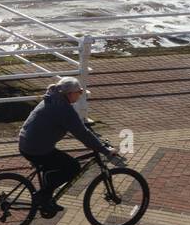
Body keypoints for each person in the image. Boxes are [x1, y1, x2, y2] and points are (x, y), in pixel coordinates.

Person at [18, 76, 118, 217]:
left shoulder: (51, 98)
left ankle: (47, 198)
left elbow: (78, 127)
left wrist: (88, 133)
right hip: (37, 147)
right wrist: (104, 149)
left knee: (54, 165)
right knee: (72, 167)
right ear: (70, 93)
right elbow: (82, 134)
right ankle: (42, 196)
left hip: (26, 142)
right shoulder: (64, 109)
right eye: (79, 92)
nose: (80, 94)